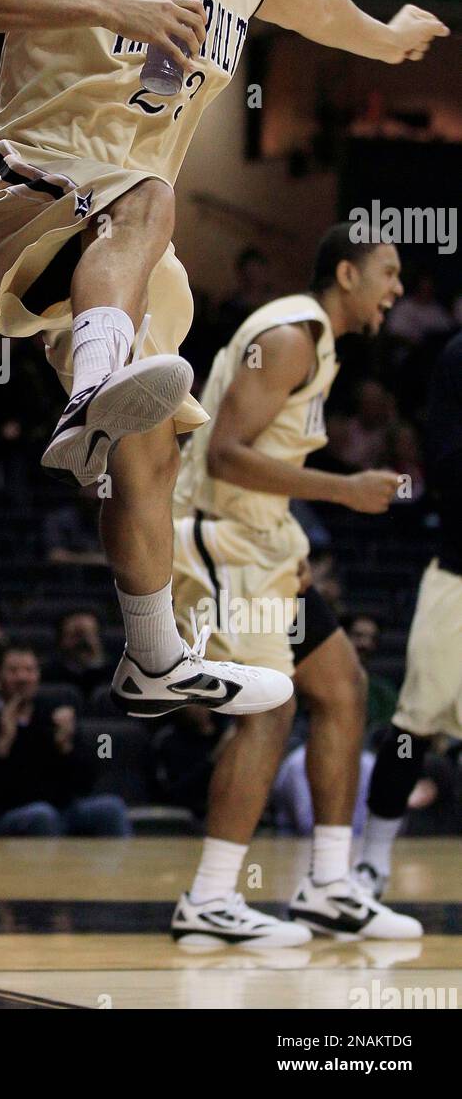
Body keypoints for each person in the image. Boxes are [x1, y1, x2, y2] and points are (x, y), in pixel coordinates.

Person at [0, 0, 447, 720]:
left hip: (119, 240)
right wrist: (108, 6)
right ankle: (89, 391)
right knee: (150, 199)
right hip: (25, 187)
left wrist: (378, 37)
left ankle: (154, 654)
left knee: (152, 442)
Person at [170, 223, 419, 944]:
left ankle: (329, 887)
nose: (396, 290)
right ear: (345, 274)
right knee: (268, 710)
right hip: (224, 541)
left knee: (339, 688)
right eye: (388, 272)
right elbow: (223, 456)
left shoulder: (314, 341)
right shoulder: (288, 335)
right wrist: (341, 491)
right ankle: (211, 899)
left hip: (262, 541)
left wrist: (290, 535)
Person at [355, 330, 462, 898]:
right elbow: (446, 469)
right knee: (414, 723)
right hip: (457, 575)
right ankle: (371, 862)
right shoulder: (455, 355)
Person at [0, 642, 130, 837]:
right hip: (4, 818)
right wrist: (3, 743)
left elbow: (85, 784)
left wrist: (66, 747)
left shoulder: (51, 716)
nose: (22, 678)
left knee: (111, 809)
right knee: (43, 815)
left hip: (59, 811)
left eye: (29, 670)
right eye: (13, 671)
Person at [42, 608, 113, 698]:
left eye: (88, 634)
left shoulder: (115, 672)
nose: (82, 643)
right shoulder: (49, 675)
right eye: (75, 636)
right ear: (61, 640)